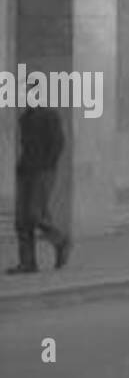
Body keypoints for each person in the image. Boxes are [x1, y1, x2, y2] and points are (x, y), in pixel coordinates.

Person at [8, 101, 70, 274]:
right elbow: (25, 145)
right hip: (25, 171)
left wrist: (47, 165)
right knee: (21, 220)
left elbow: (58, 143)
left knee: (35, 214)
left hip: (43, 171)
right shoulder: (24, 118)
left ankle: (60, 240)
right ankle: (27, 263)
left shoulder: (50, 115)